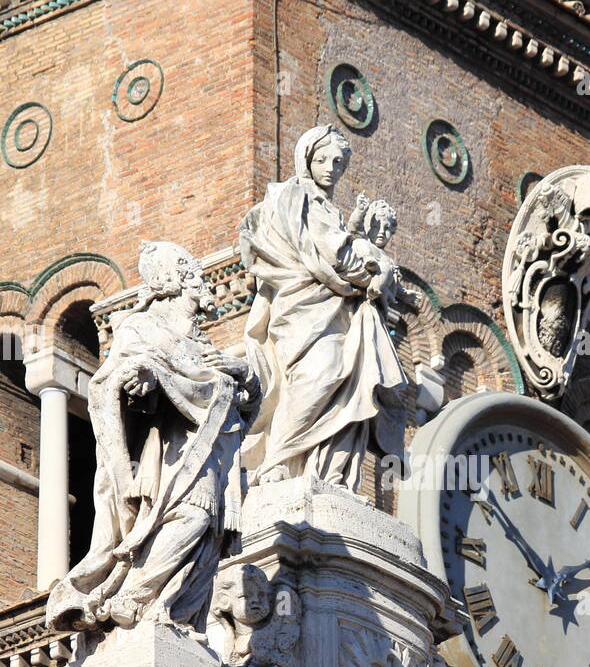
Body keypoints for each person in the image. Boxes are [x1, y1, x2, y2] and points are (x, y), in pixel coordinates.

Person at [46, 241, 259, 634]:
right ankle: (133, 597)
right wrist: (144, 381)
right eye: (191, 272)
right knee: (192, 516)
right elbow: (110, 384)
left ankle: (172, 614)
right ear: (174, 280)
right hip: (166, 453)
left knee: (207, 536)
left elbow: (242, 406)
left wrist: (243, 374)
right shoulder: (143, 327)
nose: (202, 280)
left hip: (213, 453)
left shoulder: (203, 345)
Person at [240, 125, 407, 491]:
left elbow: (341, 251)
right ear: (306, 160)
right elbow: (336, 256)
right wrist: (379, 270)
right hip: (304, 308)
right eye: (322, 159)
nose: (330, 167)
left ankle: (328, 475)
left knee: (349, 384)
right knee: (320, 375)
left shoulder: (327, 208)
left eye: (337, 161)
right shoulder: (297, 197)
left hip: (338, 311)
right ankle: (277, 461)